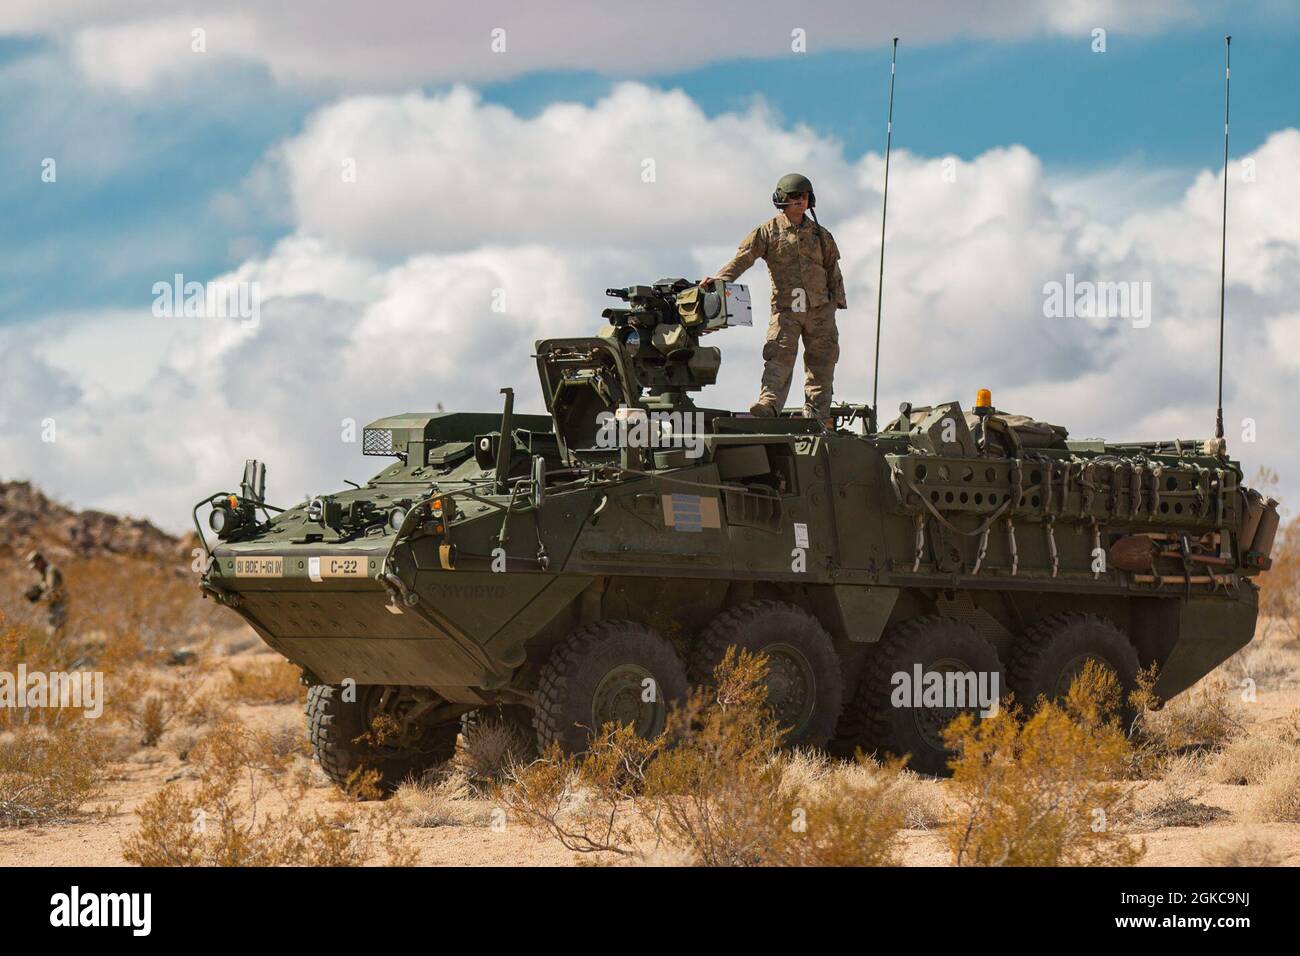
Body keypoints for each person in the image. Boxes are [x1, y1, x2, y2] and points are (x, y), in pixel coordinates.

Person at [702, 172, 847, 422]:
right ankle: (769, 405)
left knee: (822, 364)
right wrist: (720, 280)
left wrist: (835, 303)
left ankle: (817, 416)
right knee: (778, 356)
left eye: (803, 196)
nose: (799, 201)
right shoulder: (767, 232)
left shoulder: (821, 235)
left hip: (820, 309)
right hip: (786, 309)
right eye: (793, 196)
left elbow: (832, 268)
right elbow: (743, 258)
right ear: (782, 199)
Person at [24, 550, 67, 633]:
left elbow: (53, 592)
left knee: (55, 632)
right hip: (54, 605)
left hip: (59, 605)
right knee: (54, 631)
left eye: (35, 565)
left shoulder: (50, 571)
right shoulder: (45, 573)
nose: (35, 568)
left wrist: (39, 597)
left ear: (40, 561)